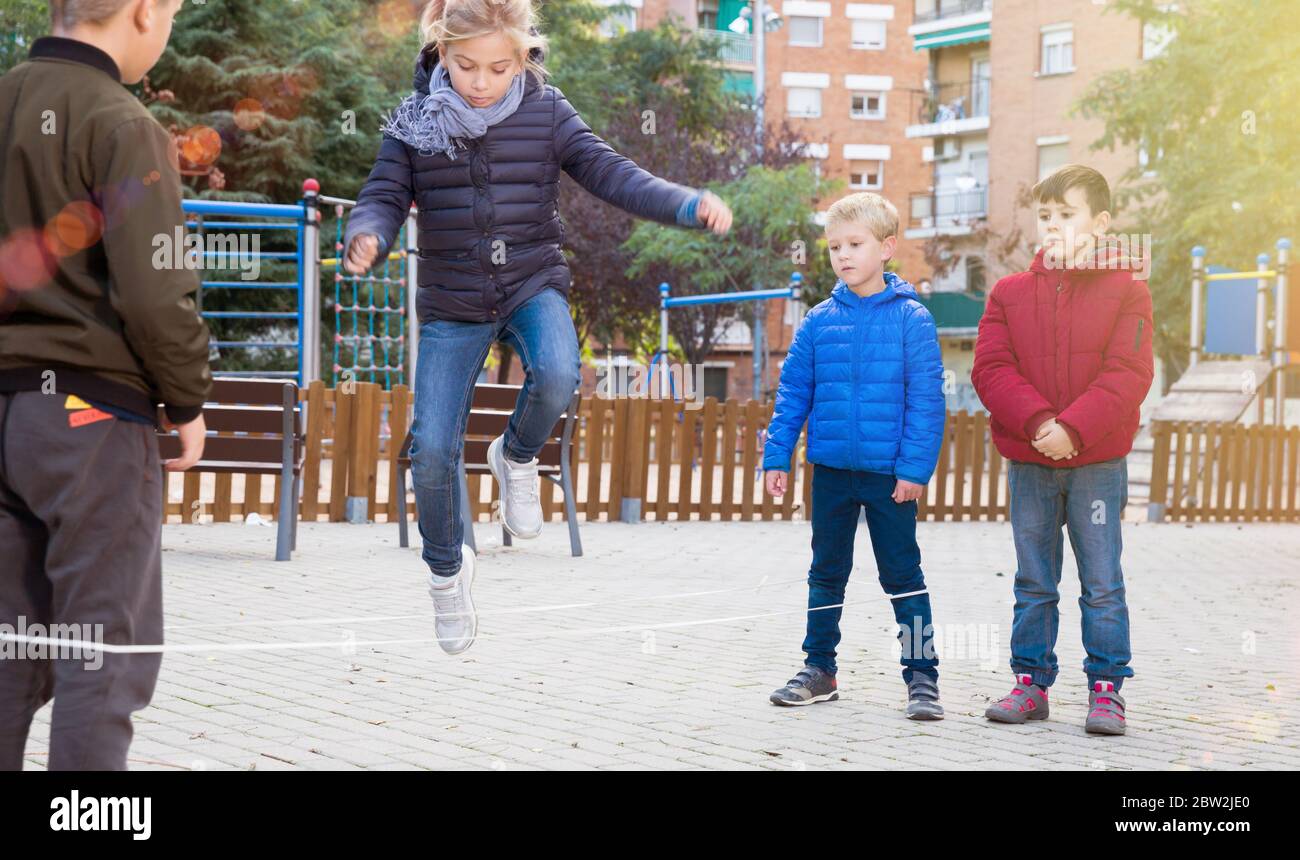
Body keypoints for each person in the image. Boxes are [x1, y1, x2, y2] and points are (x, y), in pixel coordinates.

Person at [342, 0, 733, 655]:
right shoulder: (415, 123)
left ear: (523, 57)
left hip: (530, 281)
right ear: (441, 52)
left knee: (557, 374)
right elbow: (382, 194)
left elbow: (613, 175)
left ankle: (515, 456)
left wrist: (686, 205)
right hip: (452, 301)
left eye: (498, 67)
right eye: (465, 65)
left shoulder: (548, 112)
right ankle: (446, 573)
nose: (481, 80)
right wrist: (367, 234)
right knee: (432, 450)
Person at [0, 0, 211, 769]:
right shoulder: (120, 122)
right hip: (89, 419)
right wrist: (185, 398)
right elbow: (155, 289)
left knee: (7, 654)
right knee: (101, 656)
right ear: (146, 12)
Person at [971, 164, 1153, 735]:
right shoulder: (1008, 292)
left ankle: (1106, 690)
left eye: (1066, 215)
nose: (1053, 225)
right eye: (1045, 215)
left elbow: (1129, 372)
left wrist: (1073, 428)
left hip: (1097, 463)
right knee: (1033, 579)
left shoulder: (1129, 289)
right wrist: (1038, 422)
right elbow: (991, 368)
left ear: (1100, 223)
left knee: (1101, 580)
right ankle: (1030, 684)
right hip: (1030, 462)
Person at [763, 192, 947, 720]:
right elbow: (794, 392)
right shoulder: (819, 321)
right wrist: (778, 456)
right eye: (834, 247)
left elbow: (926, 401)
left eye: (855, 244)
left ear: (886, 247)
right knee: (826, 573)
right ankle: (819, 669)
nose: (842, 255)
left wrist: (914, 469)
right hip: (833, 473)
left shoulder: (913, 319)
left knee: (903, 575)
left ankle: (922, 678)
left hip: (890, 476)